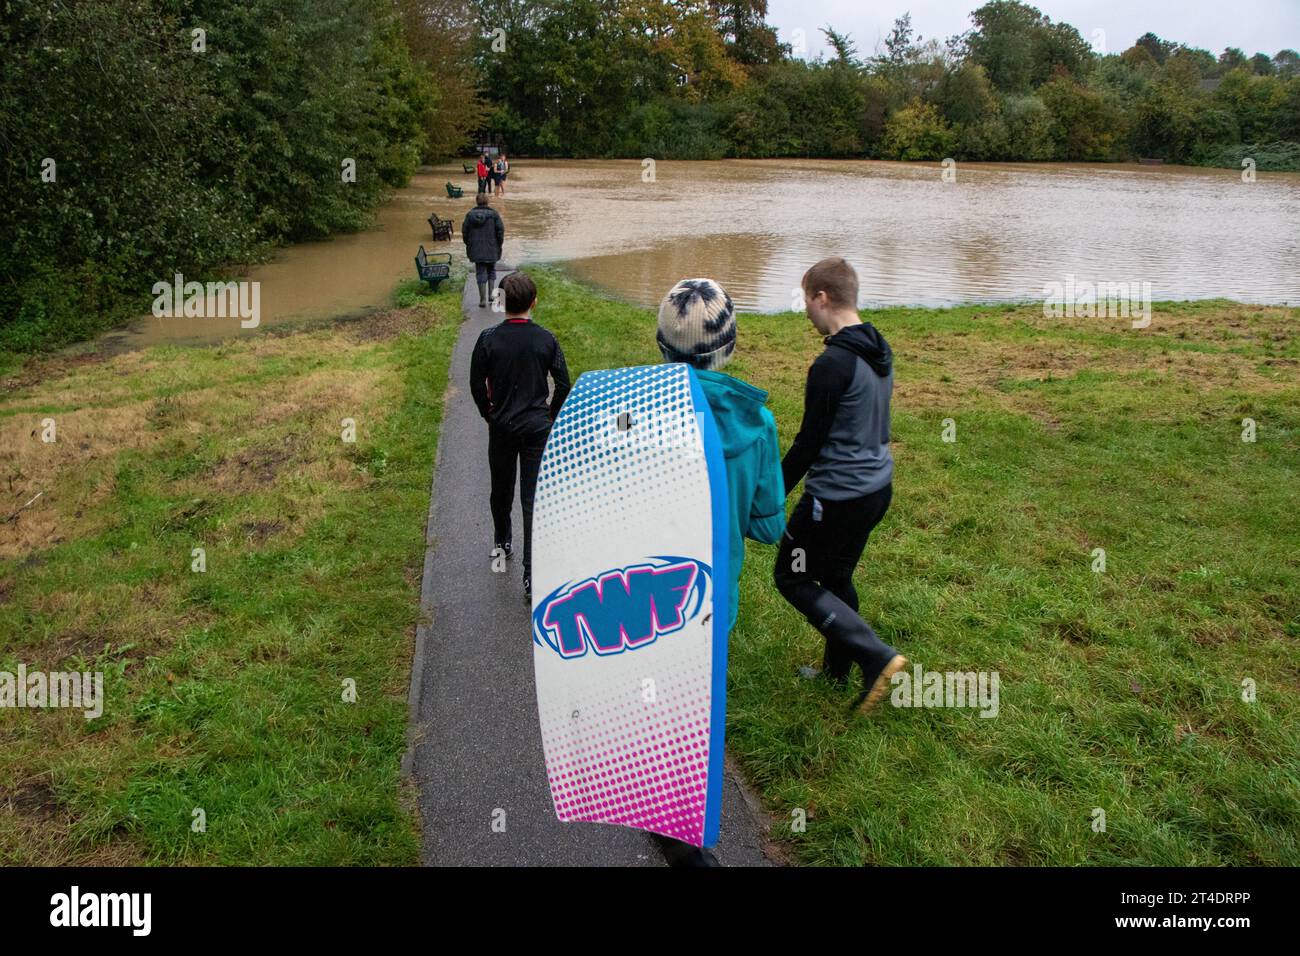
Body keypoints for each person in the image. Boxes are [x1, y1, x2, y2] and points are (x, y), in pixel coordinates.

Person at [652, 277, 786, 866]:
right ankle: (688, 835)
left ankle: (662, 812)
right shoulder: (755, 424)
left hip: (645, 594)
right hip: (712, 598)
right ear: (727, 347)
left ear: (661, 347)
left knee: (654, 698)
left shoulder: (628, 415)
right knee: (702, 703)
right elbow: (767, 526)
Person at [773, 257, 907, 714]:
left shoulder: (832, 363)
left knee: (791, 575)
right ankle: (837, 672)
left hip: (837, 498)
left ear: (821, 297)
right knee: (836, 577)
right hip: (876, 490)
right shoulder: (878, 347)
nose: (804, 311)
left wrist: (772, 492)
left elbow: (808, 443)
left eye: (805, 299)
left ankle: (876, 656)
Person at [469, 271, 570, 600]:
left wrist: (489, 414)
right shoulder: (546, 339)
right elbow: (564, 384)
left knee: (501, 491)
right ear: (534, 302)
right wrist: (551, 414)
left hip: (501, 427)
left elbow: (475, 384)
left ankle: (502, 545)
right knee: (532, 501)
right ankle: (531, 576)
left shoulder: (487, 339)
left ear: (500, 302)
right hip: (536, 429)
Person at [461, 192, 504, 308]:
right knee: (491, 270)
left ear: (476, 201)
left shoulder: (470, 215)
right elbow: (500, 231)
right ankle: (491, 295)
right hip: (492, 248)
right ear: (487, 202)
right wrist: (499, 244)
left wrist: (469, 244)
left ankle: (482, 300)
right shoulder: (494, 215)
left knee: (480, 272)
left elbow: (464, 232)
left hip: (476, 249)